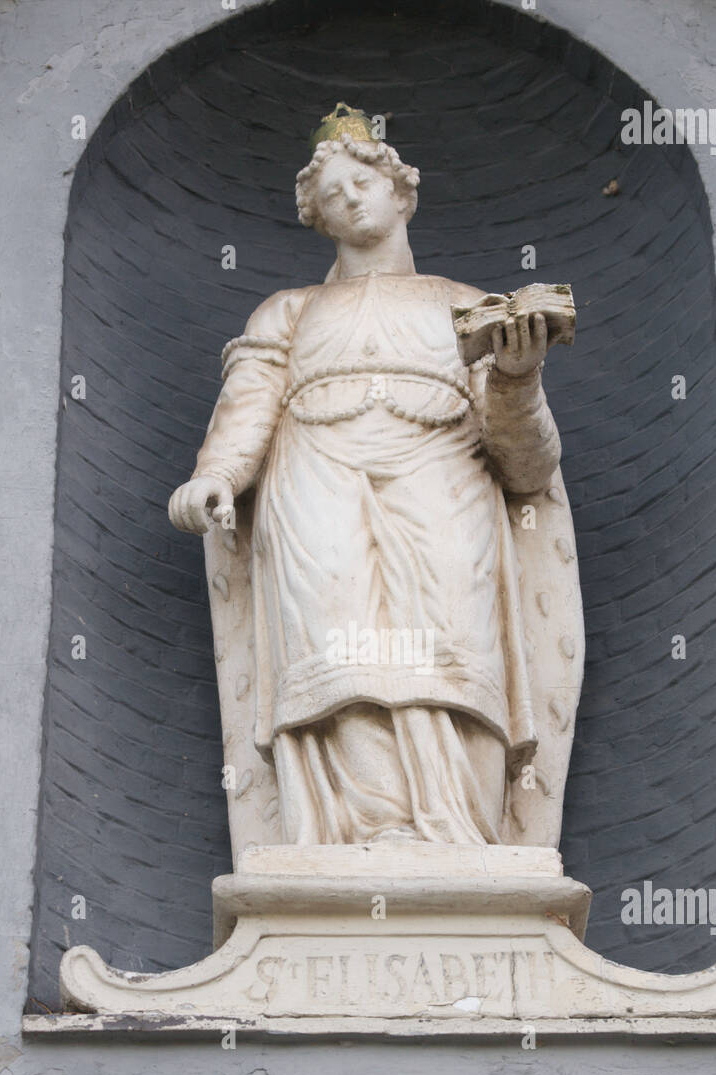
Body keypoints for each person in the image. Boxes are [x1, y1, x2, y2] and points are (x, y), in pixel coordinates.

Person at [168, 106, 562, 846]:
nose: (349, 197)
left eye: (363, 180)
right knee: (336, 637)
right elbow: (249, 404)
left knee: (450, 636)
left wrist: (516, 377)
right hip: (317, 478)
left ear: (400, 193)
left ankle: (457, 832)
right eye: (331, 194)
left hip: (443, 479)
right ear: (315, 218)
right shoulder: (290, 310)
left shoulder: (464, 306)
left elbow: (528, 466)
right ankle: (358, 834)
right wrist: (217, 475)